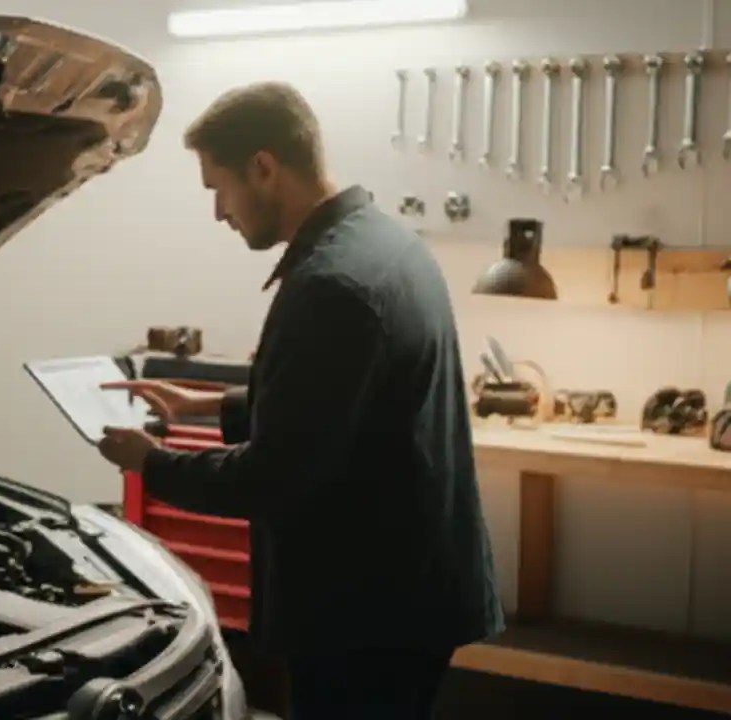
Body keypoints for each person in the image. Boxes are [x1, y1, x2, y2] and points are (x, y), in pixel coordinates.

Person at [95, 82, 505, 719]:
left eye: (218, 189)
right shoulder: (387, 244)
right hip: (414, 586)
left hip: (367, 611)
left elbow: (272, 476)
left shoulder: (330, 286)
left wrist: (150, 462)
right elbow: (339, 408)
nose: (218, 213)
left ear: (264, 167)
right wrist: (202, 405)